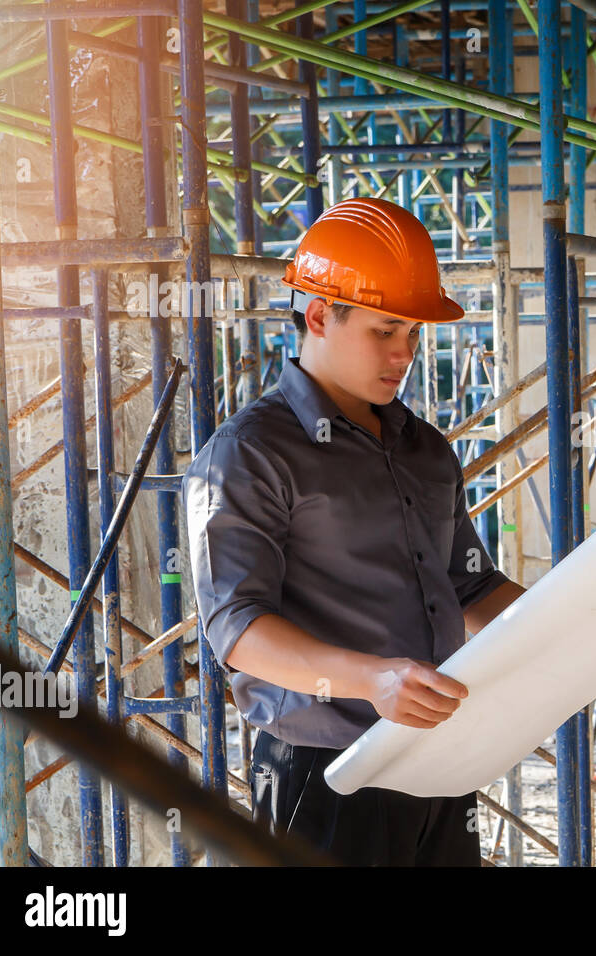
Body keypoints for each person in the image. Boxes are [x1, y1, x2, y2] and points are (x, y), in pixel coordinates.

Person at [184, 196, 530, 865]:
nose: (404, 354)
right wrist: (371, 680)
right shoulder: (250, 452)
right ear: (318, 315)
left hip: (435, 757)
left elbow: (470, 585)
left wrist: (587, 635)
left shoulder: (423, 447)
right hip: (324, 774)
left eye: (413, 333)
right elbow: (237, 627)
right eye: (385, 330)